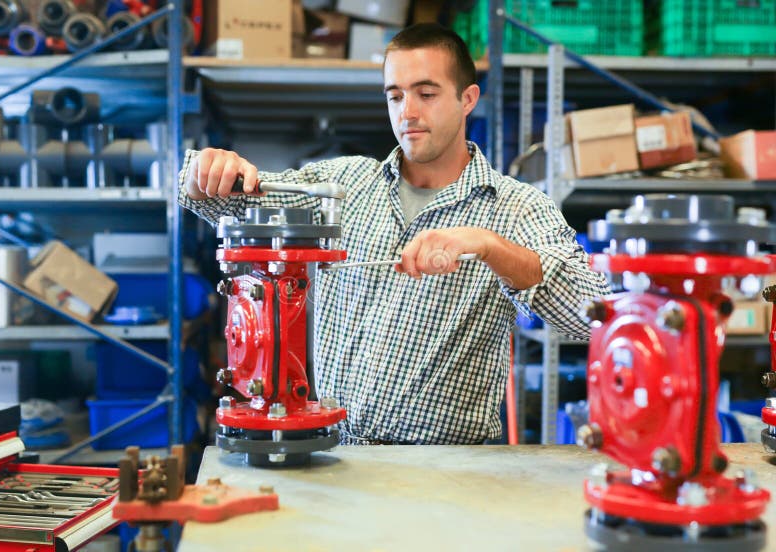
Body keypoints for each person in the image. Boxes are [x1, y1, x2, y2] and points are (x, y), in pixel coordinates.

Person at [178, 23, 609, 445]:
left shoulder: (515, 207)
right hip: (335, 455)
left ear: (468, 99)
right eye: (395, 95)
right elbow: (231, 200)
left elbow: (595, 316)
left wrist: (490, 247)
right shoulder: (341, 186)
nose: (408, 112)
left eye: (426, 93)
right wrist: (206, 172)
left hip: (451, 478)